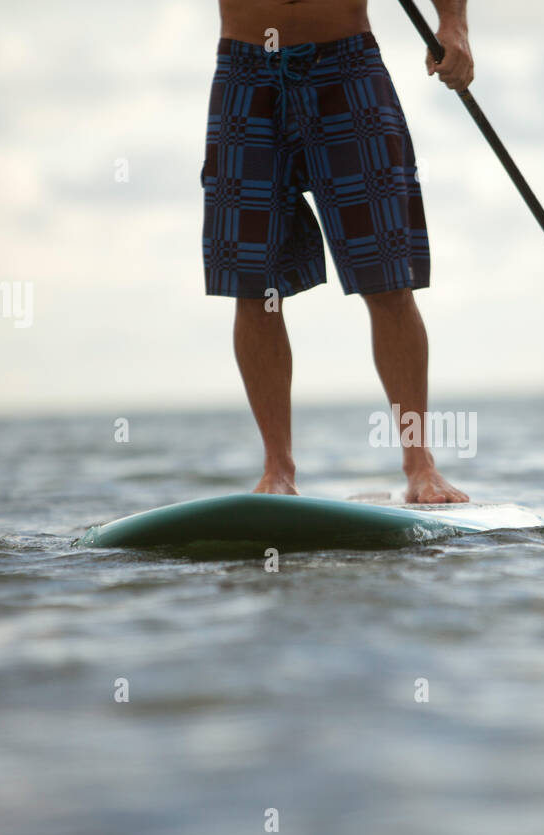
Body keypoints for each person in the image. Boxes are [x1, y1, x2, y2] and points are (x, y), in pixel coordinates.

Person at [202, 1, 474, 503]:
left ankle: (420, 467)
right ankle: (277, 471)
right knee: (254, 285)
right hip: (245, 69)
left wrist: (452, 23)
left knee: (389, 280)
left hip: (347, 65)